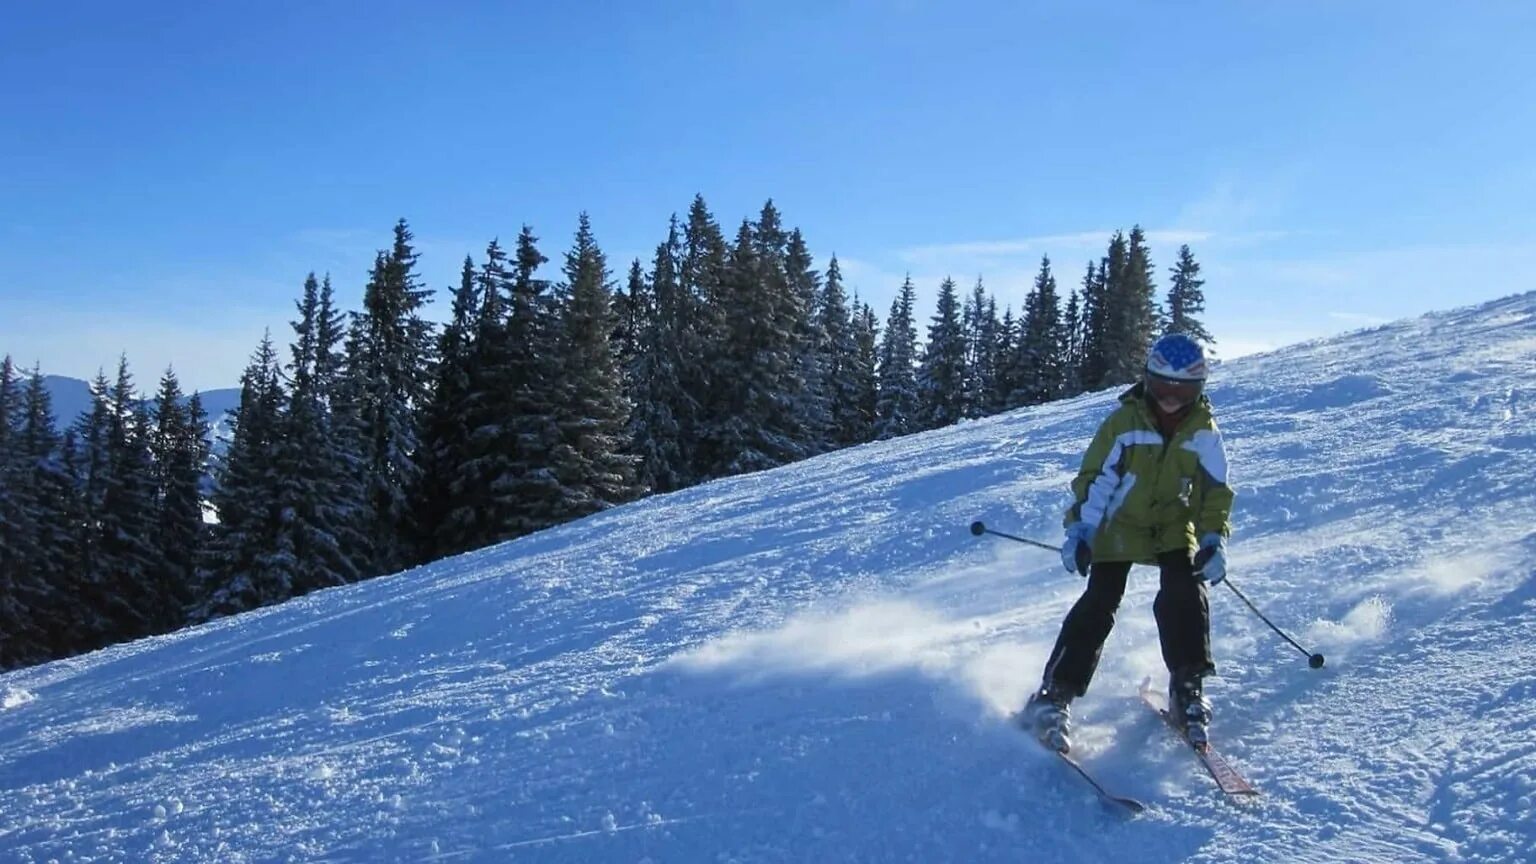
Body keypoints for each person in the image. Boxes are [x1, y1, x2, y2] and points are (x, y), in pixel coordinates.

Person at [1023, 332, 1233, 752]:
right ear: (1147, 382)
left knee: (1185, 590)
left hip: (1171, 525)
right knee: (1101, 598)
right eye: (1162, 388)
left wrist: (1212, 539)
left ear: (1198, 390)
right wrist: (1082, 531)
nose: (1170, 400)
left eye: (1182, 391)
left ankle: (1187, 687)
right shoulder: (1124, 424)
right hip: (1118, 523)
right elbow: (1095, 481)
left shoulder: (1203, 431)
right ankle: (1054, 693)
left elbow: (1213, 492)